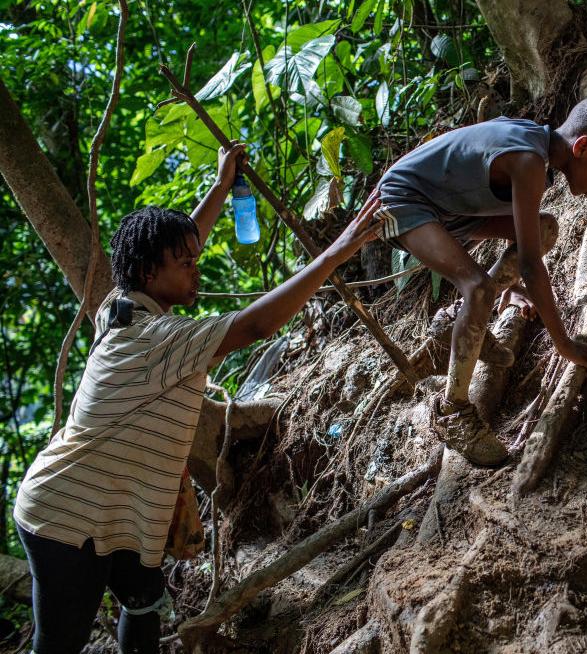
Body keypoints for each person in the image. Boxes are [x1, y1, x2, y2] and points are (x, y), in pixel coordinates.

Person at [13, 144, 381, 654]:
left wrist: (221, 186)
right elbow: (254, 325)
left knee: (143, 602)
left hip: (115, 511)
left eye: (195, 259)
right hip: (67, 515)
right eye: (186, 264)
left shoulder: (119, 307)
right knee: (59, 644)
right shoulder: (155, 339)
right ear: (149, 273)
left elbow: (178, 245)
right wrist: (333, 254)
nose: (195, 270)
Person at [376, 94, 587, 467]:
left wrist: (512, 287)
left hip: (446, 209)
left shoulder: (535, 148)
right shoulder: (529, 160)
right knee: (478, 288)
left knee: (545, 229)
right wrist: (564, 344)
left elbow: (518, 231)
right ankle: (452, 411)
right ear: (581, 147)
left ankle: (460, 319)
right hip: (402, 200)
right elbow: (530, 265)